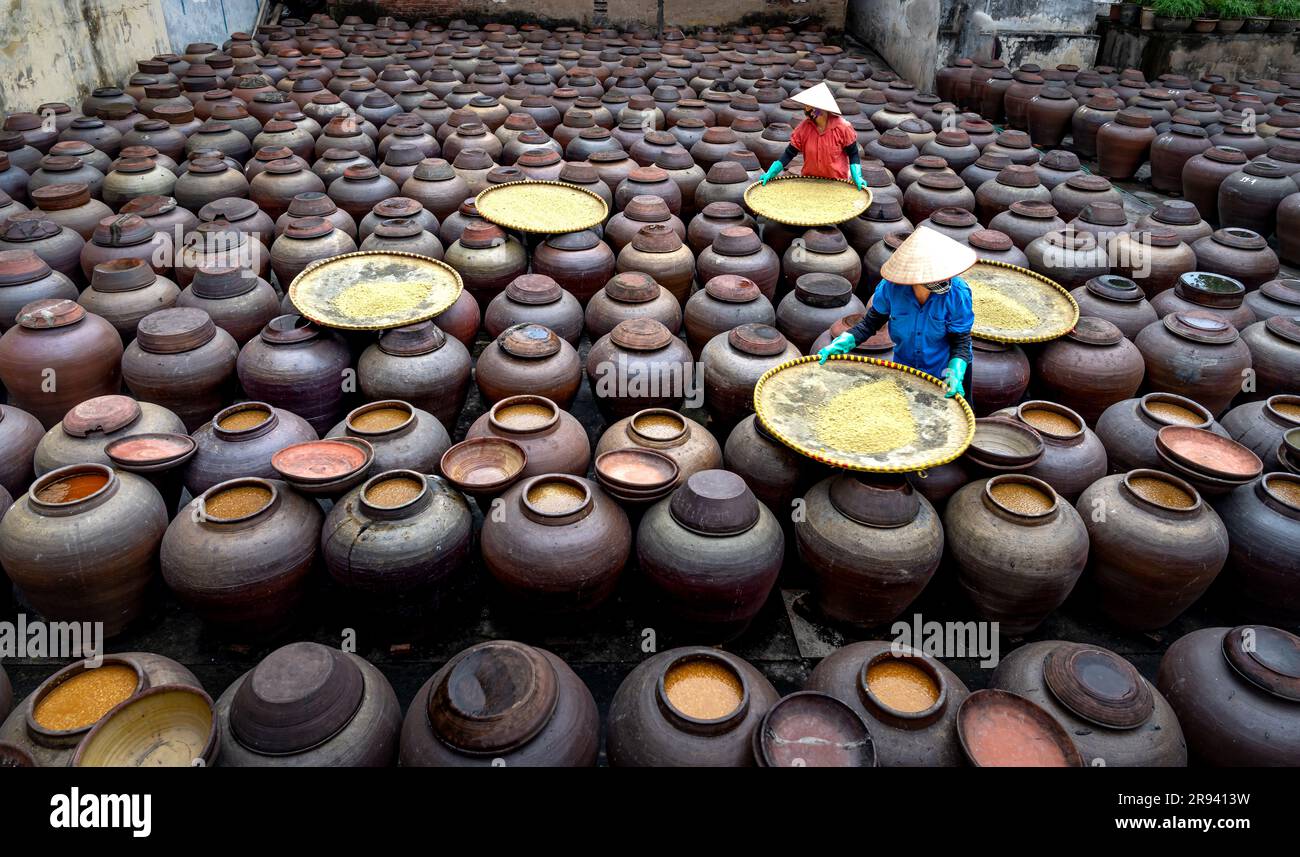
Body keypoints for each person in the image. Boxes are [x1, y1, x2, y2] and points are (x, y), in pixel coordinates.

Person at [816, 227, 976, 401]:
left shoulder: (957, 293)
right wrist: (842, 343)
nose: (944, 279)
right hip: (906, 367)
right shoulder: (891, 289)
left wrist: (955, 374)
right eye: (935, 276)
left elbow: (960, 342)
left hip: (945, 369)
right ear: (915, 276)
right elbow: (870, 324)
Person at [758, 82, 866, 190]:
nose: (806, 109)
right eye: (806, 106)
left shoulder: (843, 128)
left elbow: (853, 154)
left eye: (809, 106)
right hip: (809, 182)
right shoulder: (803, 128)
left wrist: (857, 176)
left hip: (837, 183)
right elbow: (789, 153)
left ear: (820, 110)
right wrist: (771, 172)